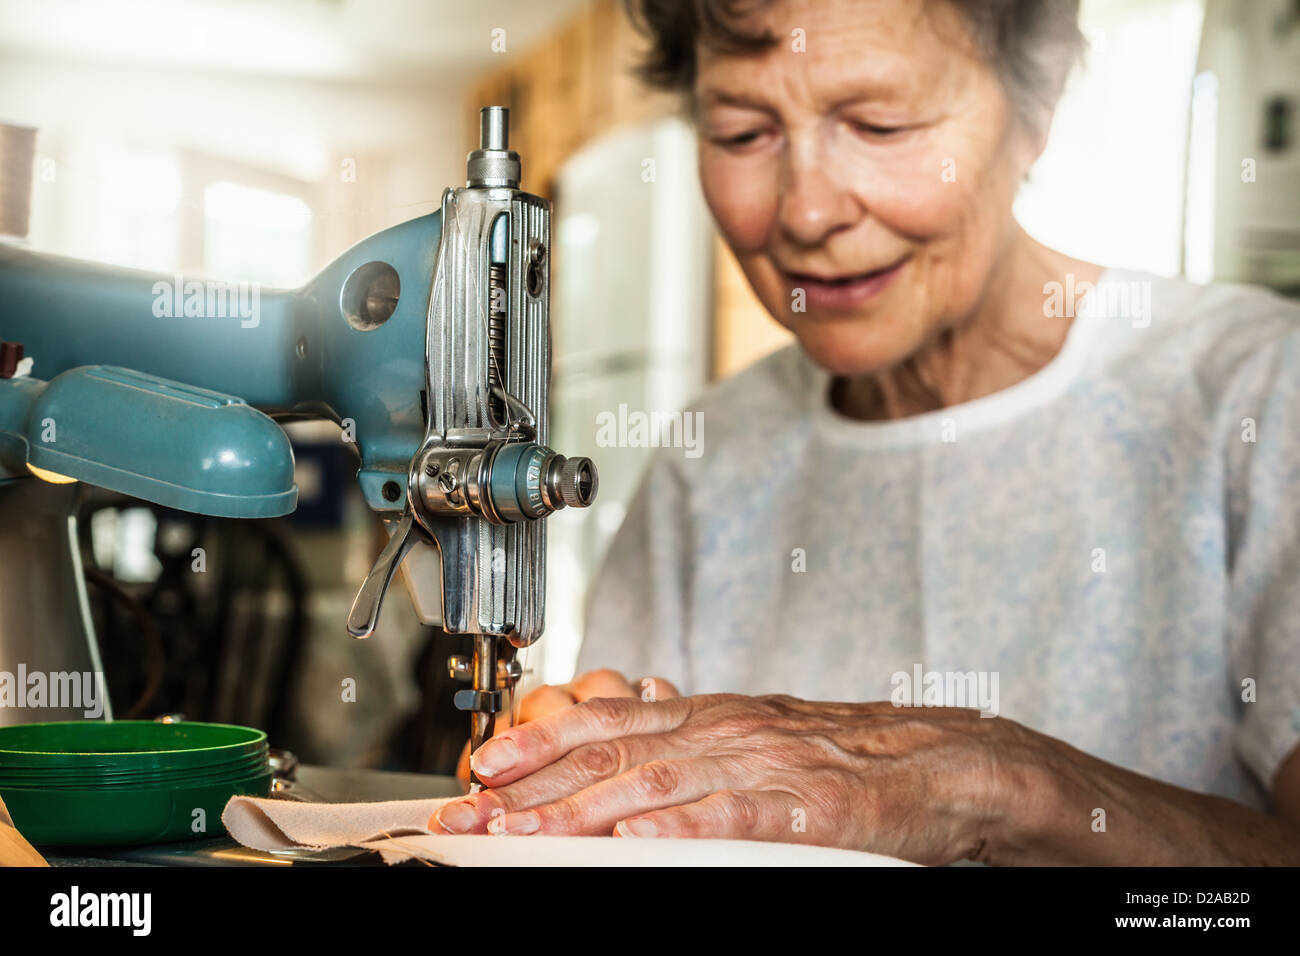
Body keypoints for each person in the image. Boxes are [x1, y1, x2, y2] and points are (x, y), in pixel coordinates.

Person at [438, 0, 1300, 864]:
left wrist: (998, 779)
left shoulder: (1257, 394)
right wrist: (600, 758)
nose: (808, 213)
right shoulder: (713, 456)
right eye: (741, 133)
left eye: (881, 125)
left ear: (1033, 115)